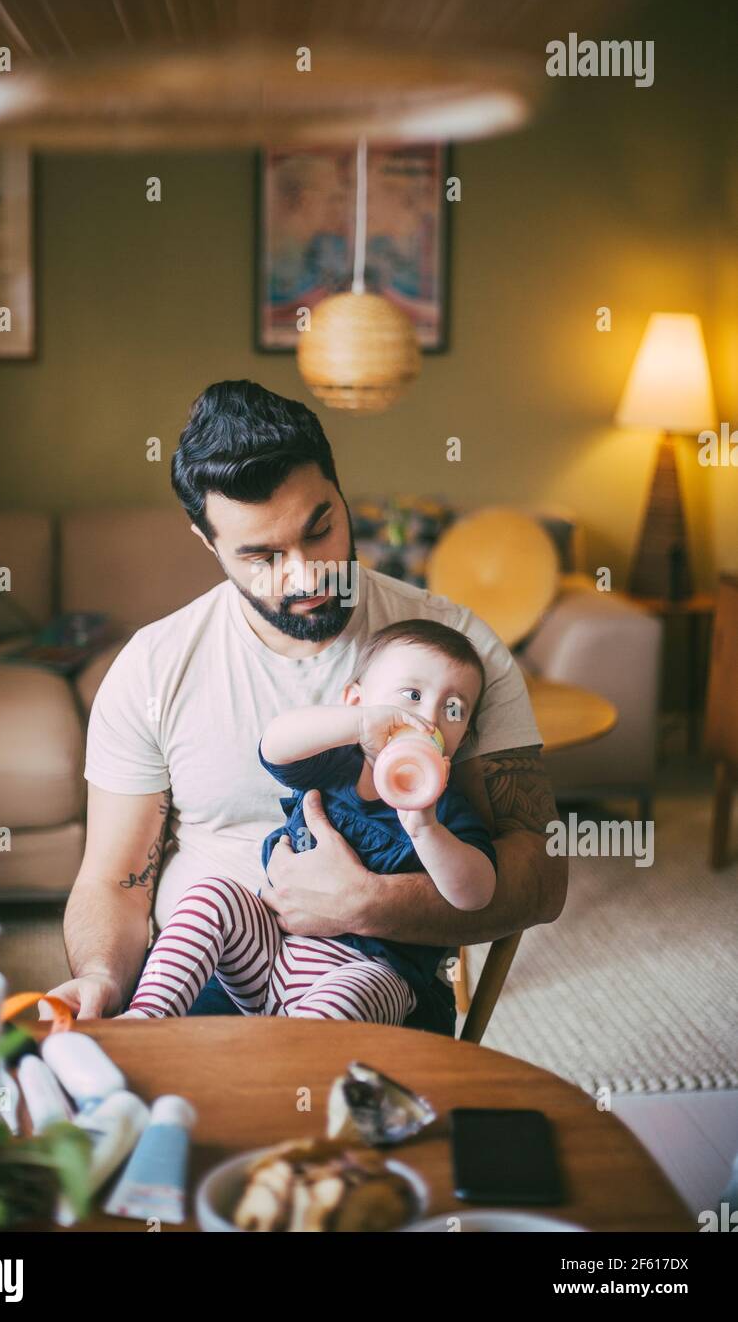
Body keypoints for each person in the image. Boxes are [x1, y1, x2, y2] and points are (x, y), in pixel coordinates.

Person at [44, 379, 564, 1035]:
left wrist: (369, 905)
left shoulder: (453, 654)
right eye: (262, 556)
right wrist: (100, 976)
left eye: (320, 529)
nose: (307, 575)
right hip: (213, 977)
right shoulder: (155, 666)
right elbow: (115, 882)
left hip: (374, 986)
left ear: (343, 493)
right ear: (209, 545)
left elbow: (542, 875)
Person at [117, 620, 495, 1024]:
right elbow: (275, 745)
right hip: (270, 952)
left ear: (464, 736)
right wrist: (359, 725)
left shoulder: (445, 811)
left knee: (359, 992)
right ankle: (147, 1017)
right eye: (412, 695)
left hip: (368, 972)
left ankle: (289, 1062)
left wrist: (427, 830)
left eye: (453, 709)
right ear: (356, 702)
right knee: (212, 896)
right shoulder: (334, 766)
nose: (429, 717)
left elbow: (476, 894)